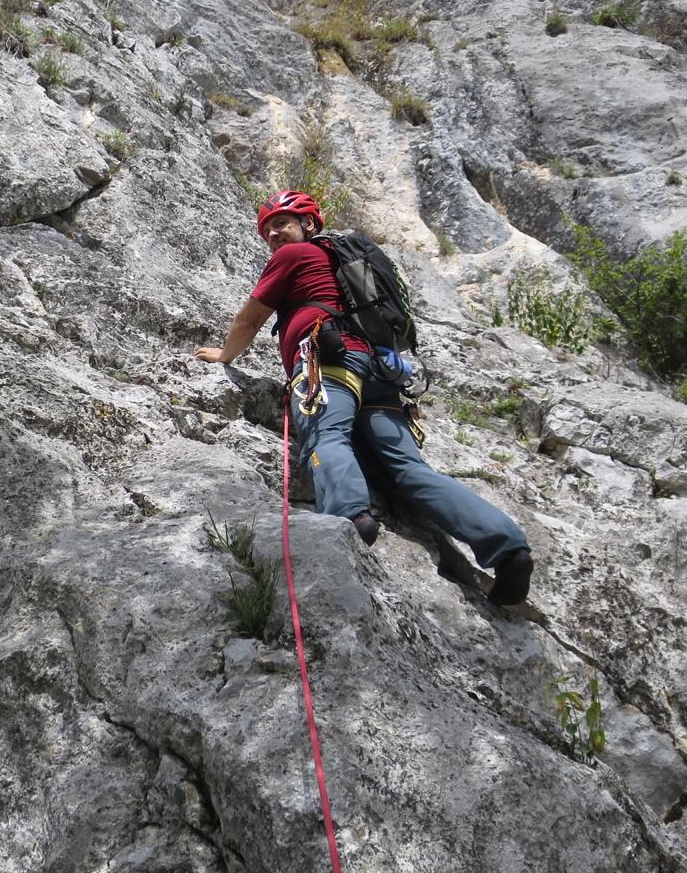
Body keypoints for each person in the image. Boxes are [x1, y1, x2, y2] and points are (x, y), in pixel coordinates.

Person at [195, 189, 535, 605]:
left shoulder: (293, 258)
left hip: (328, 361)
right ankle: (509, 547)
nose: (274, 235)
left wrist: (224, 355)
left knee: (326, 438)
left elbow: (249, 320)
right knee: (408, 471)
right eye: (267, 230)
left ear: (309, 225)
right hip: (379, 372)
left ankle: (349, 518)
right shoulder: (340, 264)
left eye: (282, 223)